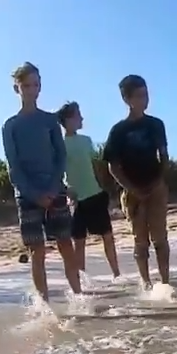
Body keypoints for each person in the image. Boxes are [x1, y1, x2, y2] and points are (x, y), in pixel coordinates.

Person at [1, 62, 82, 302]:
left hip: (54, 189)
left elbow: (60, 157)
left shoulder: (49, 121)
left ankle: (79, 298)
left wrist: (54, 188)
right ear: (17, 88)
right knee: (37, 251)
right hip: (27, 195)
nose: (32, 89)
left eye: (36, 84)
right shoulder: (11, 126)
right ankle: (44, 305)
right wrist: (33, 194)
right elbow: (13, 165)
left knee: (65, 244)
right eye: (26, 85)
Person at [104, 74, 171, 290]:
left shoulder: (156, 124)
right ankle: (146, 283)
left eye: (146, 94)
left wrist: (158, 181)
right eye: (140, 95)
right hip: (131, 191)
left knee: (160, 238)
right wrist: (131, 189)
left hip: (155, 187)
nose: (145, 99)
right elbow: (112, 166)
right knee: (140, 241)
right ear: (128, 99)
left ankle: (165, 284)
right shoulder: (118, 131)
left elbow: (164, 155)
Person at [57, 102, 121, 281]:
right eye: (78, 115)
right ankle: (83, 280)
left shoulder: (86, 140)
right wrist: (65, 190)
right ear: (68, 120)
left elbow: (96, 166)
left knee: (107, 236)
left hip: (95, 194)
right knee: (79, 241)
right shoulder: (60, 145)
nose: (82, 119)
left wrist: (105, 188)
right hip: (77, 199)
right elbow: (57, 172)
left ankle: (117, 274)